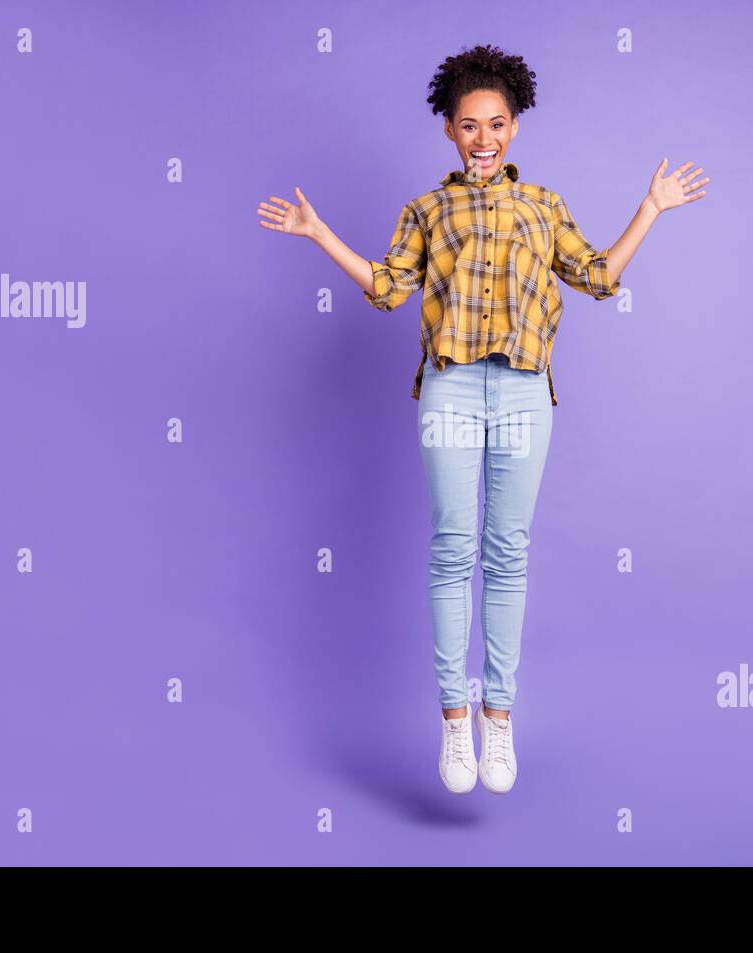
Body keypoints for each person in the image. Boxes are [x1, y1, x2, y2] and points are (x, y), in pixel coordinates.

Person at [257, 43, 710, 795]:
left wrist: (650, 209)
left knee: (507, 553)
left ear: (515, 127)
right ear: (449, 130)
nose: (483, 138)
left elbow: (598, 276)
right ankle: (453, 719)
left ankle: (498, 717)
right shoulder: (427, 211)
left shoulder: (543, 205)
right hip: (453, 390)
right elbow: (387, 289)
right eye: (469, 125)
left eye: (496, 124)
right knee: (452, 548)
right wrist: (320, 233)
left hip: (525, 391)